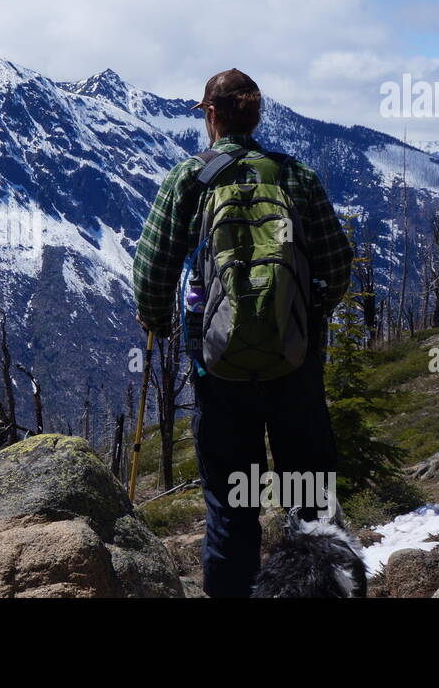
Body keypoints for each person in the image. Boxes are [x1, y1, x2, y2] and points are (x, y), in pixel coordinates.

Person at [132, 68, 352, 597]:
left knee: (232, 510)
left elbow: (152, 269)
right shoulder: (294, 177)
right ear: (255, 115)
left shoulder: (190, 179)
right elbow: (337, 265)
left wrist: (159, 320)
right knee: (311, 500)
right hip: (295, 366)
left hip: (220, 369)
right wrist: (305, 316)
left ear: (211, 116)